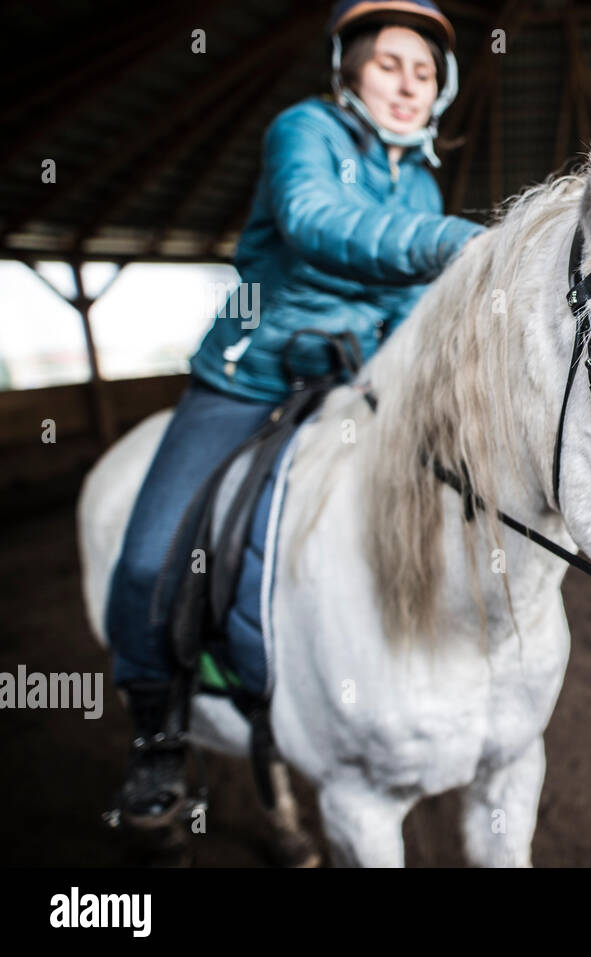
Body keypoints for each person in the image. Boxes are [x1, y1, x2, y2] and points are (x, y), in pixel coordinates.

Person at [103, 0, 485, 830]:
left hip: (353, 385)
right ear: (349, 68)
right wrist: (447, 241)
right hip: (251, 377)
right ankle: (157, 743)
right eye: (390, 64)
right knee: (146, 559)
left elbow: (411, 305)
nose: (408, 85)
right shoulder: (300, 130)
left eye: (423, 73)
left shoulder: (418, 176)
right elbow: (316, 222)